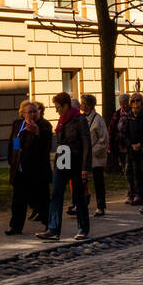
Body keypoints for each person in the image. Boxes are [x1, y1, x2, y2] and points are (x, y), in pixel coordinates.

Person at [38, 91, 91, 241]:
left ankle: (83, 229)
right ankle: (53, 229)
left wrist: (85, 167)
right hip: (62, 159)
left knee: (78, 196)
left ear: (66, 106)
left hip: (76, 160)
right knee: (56, 194)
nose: (57, 110)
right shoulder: (62, 120)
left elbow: (86, 144)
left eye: (58, 107)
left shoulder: (79, 120)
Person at [6, 100, 50, 235]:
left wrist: (37, 133)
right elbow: (14, 143)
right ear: (22, 113)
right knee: (18, 200)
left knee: (41, 199)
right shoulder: (18, 124)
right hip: (19, 169)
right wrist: (12, 160)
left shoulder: (44, 125)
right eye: (29, 112)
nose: (32, 114)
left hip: (37, 170)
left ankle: (49, 224)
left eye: (34, 111)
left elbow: (46, 147)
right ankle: (15, 226)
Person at [80, 94, 109, 217]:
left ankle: (100, 206)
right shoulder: (81, 118)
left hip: (96, 156)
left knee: (98, 182)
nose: (82, 105)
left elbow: (104, 139)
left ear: (90, 105)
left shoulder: (98, 119)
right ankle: (81, 204)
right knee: (82, 181)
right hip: (84, 156)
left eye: (84, 103)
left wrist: (92, 151)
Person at [125, 92, 143, 205]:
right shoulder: (129, 116)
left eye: (137, 100)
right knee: (136, 173)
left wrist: (141, 144)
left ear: (142, 102)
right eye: (133, 101)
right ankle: (139, 196)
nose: (135, 103)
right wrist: (130, 144)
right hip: (132, 149)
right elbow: (125, 133)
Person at [109, 93, 130, 179]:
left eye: (125, 103)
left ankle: (128, 175)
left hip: (129, 142)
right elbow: (111, 128)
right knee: (122, 159)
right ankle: (125, 173)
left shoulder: (132, 113)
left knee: (129, 161)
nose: (123, 106)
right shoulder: (117, 114)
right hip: (119, 143)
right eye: (121, 103)